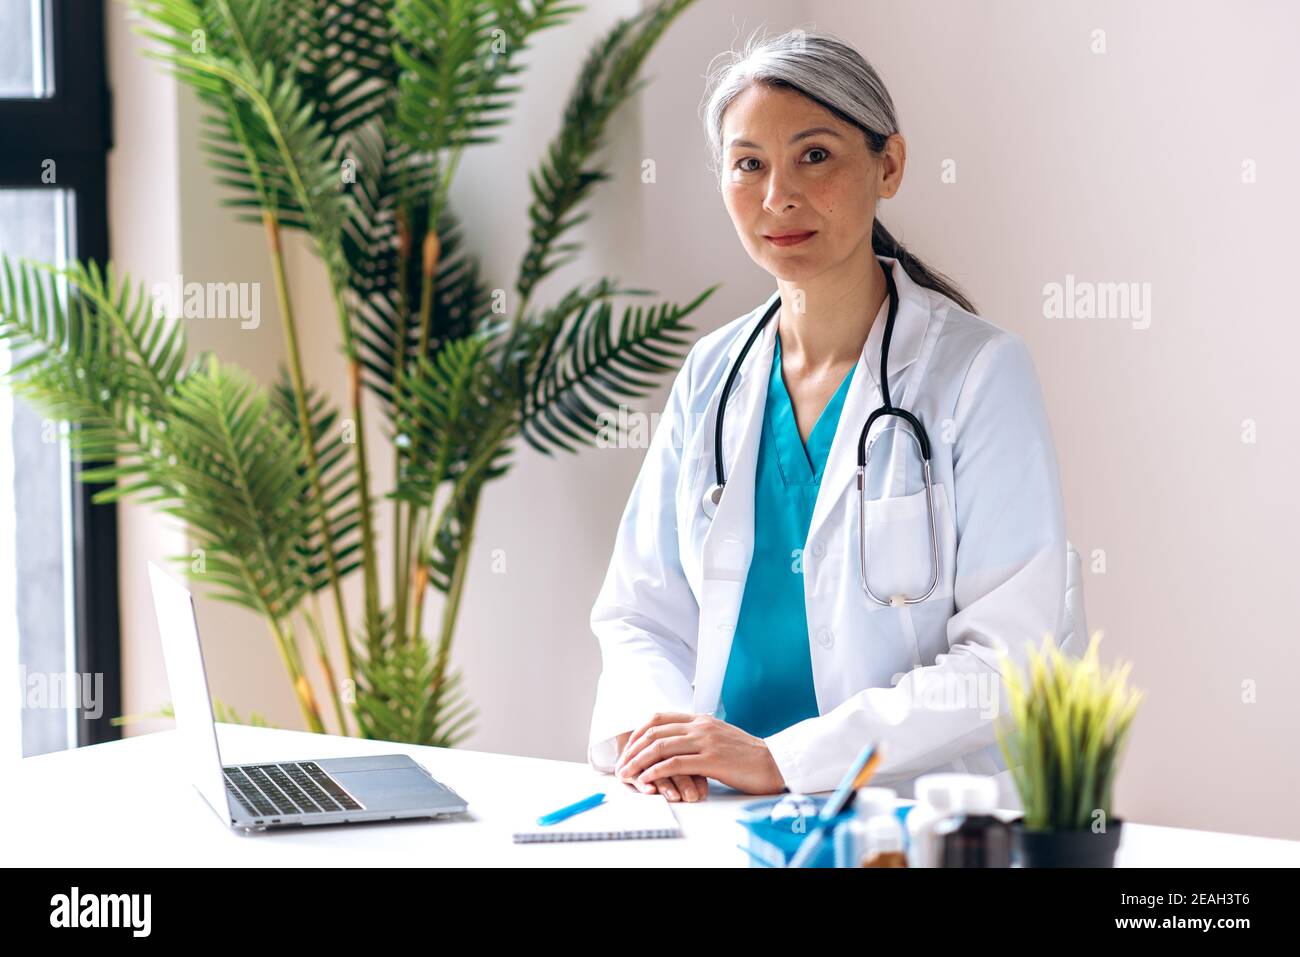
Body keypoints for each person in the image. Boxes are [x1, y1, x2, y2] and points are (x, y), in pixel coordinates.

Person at [587, 28, 1079, 805]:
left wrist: (786, 759)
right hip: (723, 810)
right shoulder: (712, 375)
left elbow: (1008, 658)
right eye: (749, 164)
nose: (778, 196)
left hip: (907, 814)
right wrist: (663, 736)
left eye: (815, 155)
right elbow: (639, 612)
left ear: (888, 165)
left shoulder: (978, 373)